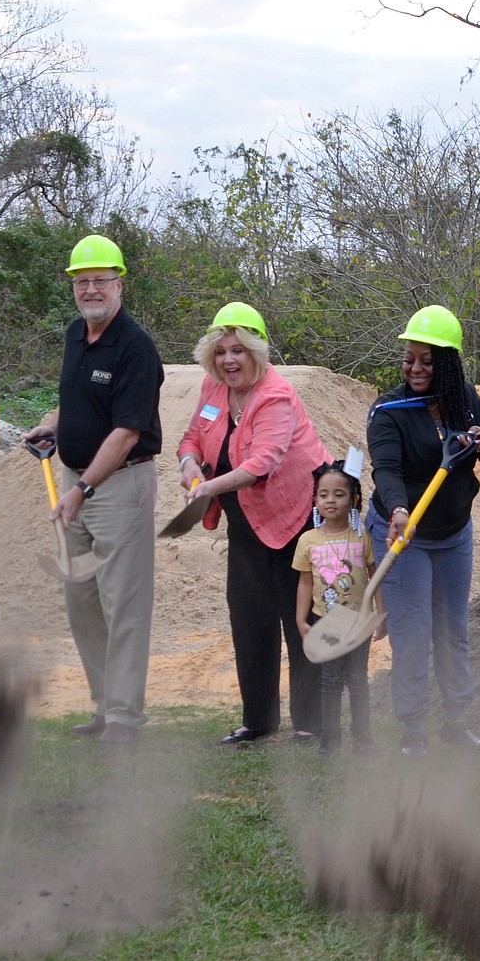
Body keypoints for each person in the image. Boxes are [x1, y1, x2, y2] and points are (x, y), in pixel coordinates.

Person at [21, 234, 164, 747]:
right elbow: (80, 405)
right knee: (81, 598)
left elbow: (126, 432)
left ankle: (126, 718)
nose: (90, 289)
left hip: (119, 485)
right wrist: (52, 427)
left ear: (119, 283)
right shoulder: (75, 336)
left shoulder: (135, 348)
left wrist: (82, 486)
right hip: (73, 480)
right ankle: (104, 706)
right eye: (82, 281)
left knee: (123, 602)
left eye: (100, 279)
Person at [176, 302, 331, 745]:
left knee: (301, 619)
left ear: (256, 353)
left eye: (238, 350)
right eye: (222, 351)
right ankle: (258, 721)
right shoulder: (212, 390)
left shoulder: (276, 396)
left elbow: (263, 462)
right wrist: (191, 467)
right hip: (244, 521)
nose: (229, 360)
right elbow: (190, 440)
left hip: (295, 519)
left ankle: (311, 723)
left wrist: (207, 488)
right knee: (249, 619)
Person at [366, 305, 480, 757]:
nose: (415, 368)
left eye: (427, 360)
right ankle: (412, 731)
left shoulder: (461, 397)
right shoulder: (388, 410)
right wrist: (399, 508)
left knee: (452, 628)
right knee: (412, 630)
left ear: (447, 363)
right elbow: (385, 469)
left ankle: (455, 721)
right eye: (409, 359)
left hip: (453, 531)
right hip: (403, 533)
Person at [295, 457, 382, 756]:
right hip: (325, 622)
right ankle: (330, 742)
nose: (330, 500)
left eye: (339, 494)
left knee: (358, 680)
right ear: (315, 500)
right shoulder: (308, 541)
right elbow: (305, 583)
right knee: (330, 681)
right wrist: (300, 619)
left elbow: (375, 577)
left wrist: (380, 615)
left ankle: (363, 739)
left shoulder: (362, 538)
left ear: (354, 499)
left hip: (359, 621)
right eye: (323, 494)